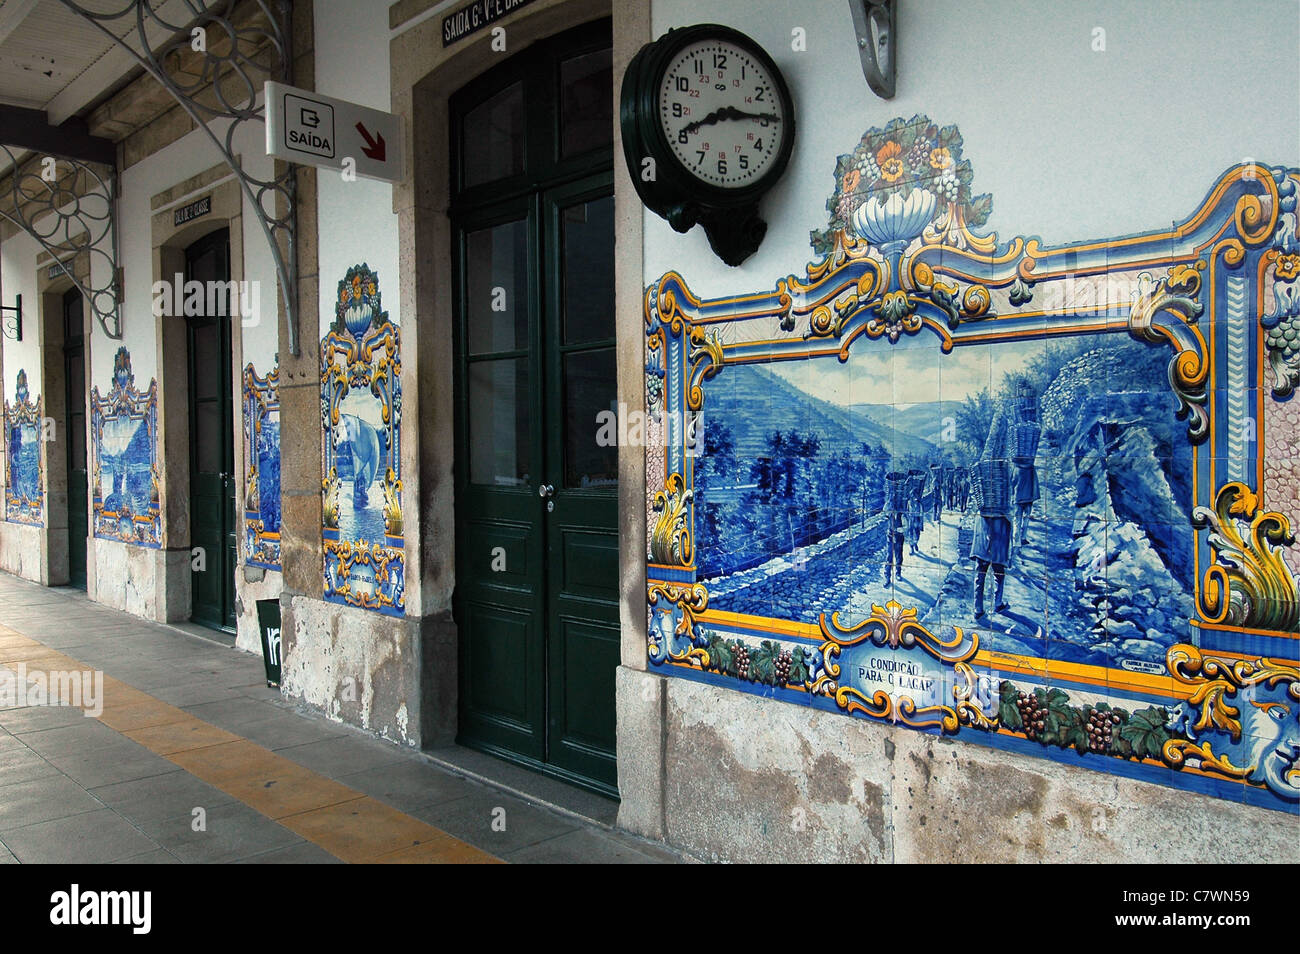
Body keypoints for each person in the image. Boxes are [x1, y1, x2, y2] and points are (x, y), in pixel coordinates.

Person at [969, 410, 1011, 617]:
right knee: (999, 572)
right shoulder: (1004, 472)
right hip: (999, 527)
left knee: (981, 570)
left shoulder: (981, 471)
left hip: (983, 524)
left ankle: (977, 608)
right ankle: (998, 602)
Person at [1011, 381, 1041, 548]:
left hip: (1018, 497)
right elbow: (1035, 485)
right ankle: (1020, 538)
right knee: (1025, 516)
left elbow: (1012, 483)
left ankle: (1017, 540)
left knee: (1018, 516)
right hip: (1027, 497)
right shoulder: (1030, 468)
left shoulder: (1017, 469)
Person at [882, 471, 906, 585]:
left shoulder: (903, 508)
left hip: (900, 534)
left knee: (899, 554)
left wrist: (902, 528)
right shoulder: (889, 506)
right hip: (890, 533)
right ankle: (887, 577)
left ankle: (898, 573)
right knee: (889, 556)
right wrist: (890, 502)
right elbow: (885, 512)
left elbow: (907, 519)